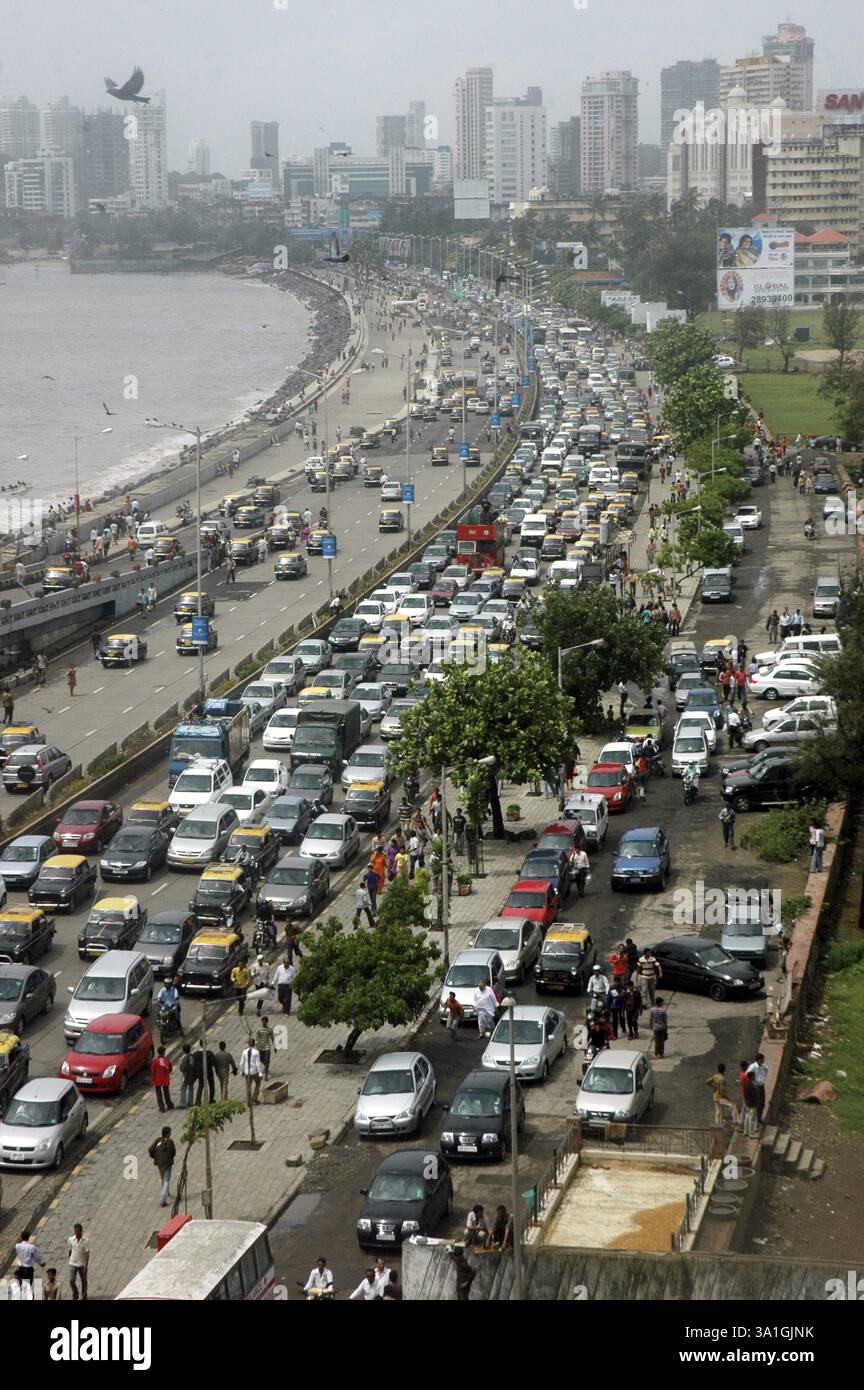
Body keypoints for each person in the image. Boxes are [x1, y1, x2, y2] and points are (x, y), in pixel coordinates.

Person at [148, 1125, 176, 1207]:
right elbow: (174, 1152)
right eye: (170, 1133)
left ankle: (167, 1192)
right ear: (167, 1134)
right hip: (167, 1164)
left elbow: (150, 1149)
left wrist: (155, 1157)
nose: (170, 1134)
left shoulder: (158, 1140)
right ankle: (163, 1200)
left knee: (163, 1179)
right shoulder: (170, 1142)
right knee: (166, 1180)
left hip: (159, 1164)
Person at [707, 1063, 740, 1130]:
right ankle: (735, 1123)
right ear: (724, 1070)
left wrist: (714, 1087)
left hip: (715, 1096)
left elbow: (707, 1081)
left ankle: (717, 1125)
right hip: (720, 1097)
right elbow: (721, 1091)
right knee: (733, 1106)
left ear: (717, 1069)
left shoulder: (715, 1076)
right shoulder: (722, 1079)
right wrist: (728, 1098)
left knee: (718, 1111)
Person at [67, 1223, 90, 1300]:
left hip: (82, 1264)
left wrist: (86, 1265)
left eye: (78, 1231)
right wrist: (70, 1259)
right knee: (71, 1280)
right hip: (72, 1263)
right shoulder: (70, 1240)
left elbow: (87, 1253)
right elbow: (70, 1250)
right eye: (75, 1231)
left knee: (84, 1281)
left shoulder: (86, 1241)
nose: (76, 1233)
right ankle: (75, 1293)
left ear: (81, 1231)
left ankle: (84, 1295)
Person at [240, 1038, 265, 1104]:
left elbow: (241, 1063)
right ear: (254, 1044)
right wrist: (260, 1073)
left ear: (248, 1044)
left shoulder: (244, 1052)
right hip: (254, 1072)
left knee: (248, 1086)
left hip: (246, 1072)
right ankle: (254, 1098)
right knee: (258, 1082)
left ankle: (249, 1100)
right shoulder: (256, 1052)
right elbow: (258, 1064)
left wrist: (242, 1071)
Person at [746, 1054, 768, 1126]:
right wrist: (753, 1081)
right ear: (758, 1060)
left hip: (761, 1086)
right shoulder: (752, 1067)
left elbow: (766, 1069)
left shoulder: (763, 1066)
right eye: (762, 1059)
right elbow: (747, 1074)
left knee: (762, 1103)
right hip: (756, 1086)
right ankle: (755, 1121)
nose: (763, 1061)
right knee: (756, 1104)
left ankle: (759, 1118)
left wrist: (763, 1078)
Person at [150, 1045, 174, 1112]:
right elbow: (170, 1068)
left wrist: (153, 1078)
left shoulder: (155, 1061)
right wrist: (167, 1073)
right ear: (163, 1052)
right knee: (166, 1092)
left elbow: (152, 1070)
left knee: (158, 1094)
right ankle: (169, 1105)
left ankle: (162, 1107)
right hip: (165, 1079)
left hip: (157, 1080)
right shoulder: (166, 1060)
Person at [178, 1043, 195, 1108]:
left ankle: (183, 1103)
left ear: (184, 1050)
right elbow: (193, 1065)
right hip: (191, 1075)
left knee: (183, 1088)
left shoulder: (185, 1058)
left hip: (186, 1075)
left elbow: (182, 1067)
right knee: (191, 1088)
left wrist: (182, 1069)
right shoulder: (191, 1056)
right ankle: (190, 1102)